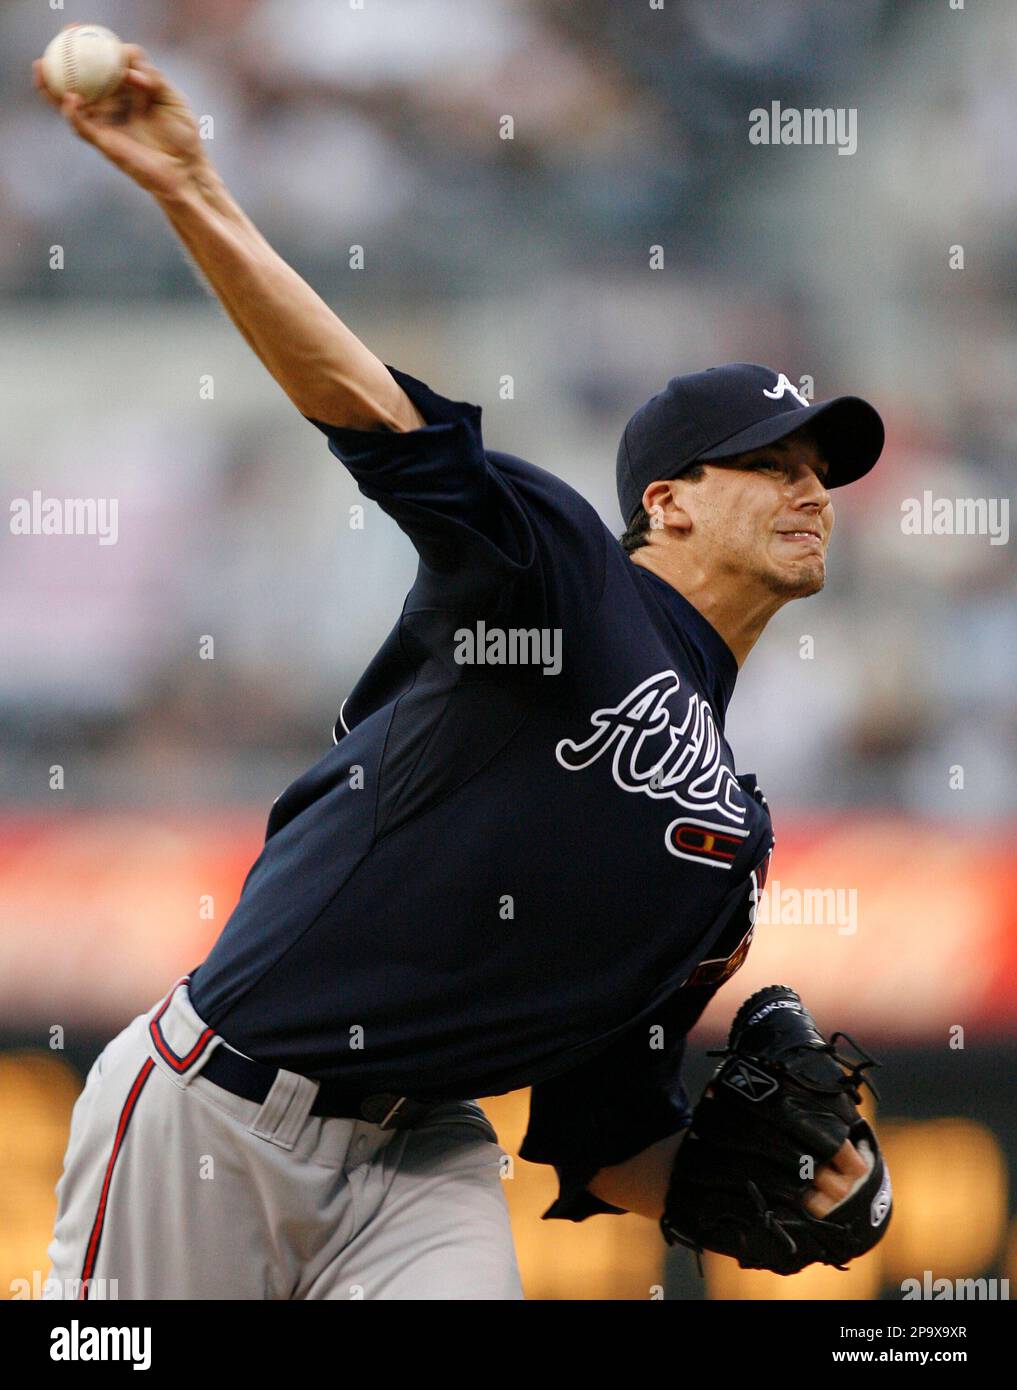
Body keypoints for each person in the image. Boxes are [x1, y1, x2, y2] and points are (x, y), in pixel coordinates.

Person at [37, 46, 883, 1300]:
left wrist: (814, 1195)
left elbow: (608, 1131)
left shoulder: (729, 849)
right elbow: (375, 420)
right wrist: (193, 193)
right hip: (215, 1107)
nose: (811, 489)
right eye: (771, 463)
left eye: (823, 469)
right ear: (667, 503)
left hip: (428, 1158)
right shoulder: (562, 577)